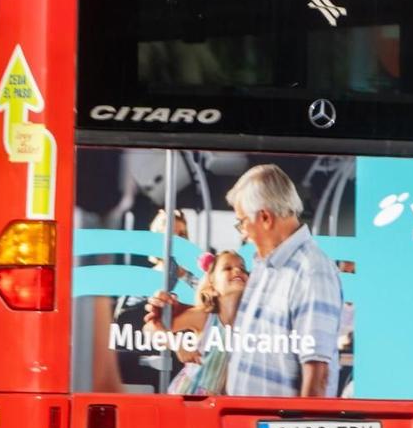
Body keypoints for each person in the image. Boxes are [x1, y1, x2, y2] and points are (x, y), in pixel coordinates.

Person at [145, 163, 341, 398]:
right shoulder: (266, 267)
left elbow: (318, 375)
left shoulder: (311, 271)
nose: (242, 232)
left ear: (265, 217)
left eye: (241, 222)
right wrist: (172, 322)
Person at [168, 250, 248, 395]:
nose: (237, 270)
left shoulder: (246, 324)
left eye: (242, 269)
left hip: (218, 403)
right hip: (188, 394)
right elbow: (151, 329)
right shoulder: (204, 317)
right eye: (227, 268)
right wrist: (176, 344)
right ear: (212, 283)